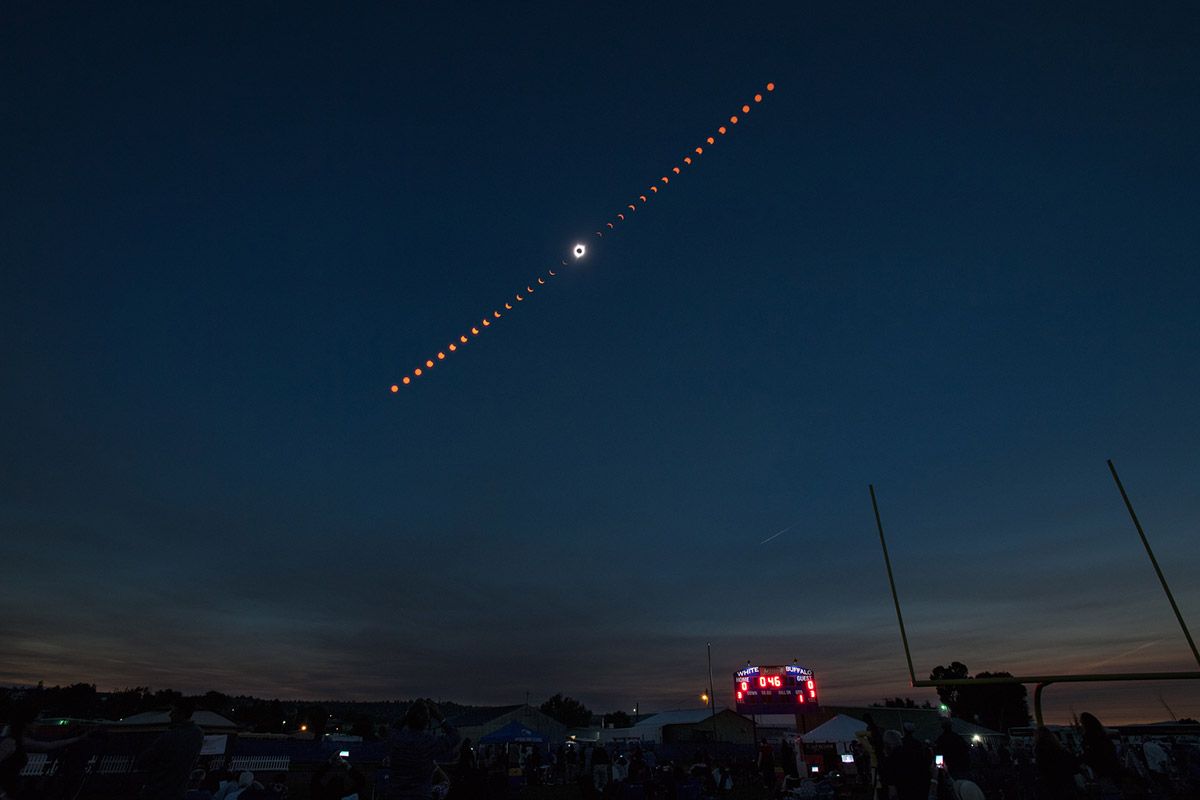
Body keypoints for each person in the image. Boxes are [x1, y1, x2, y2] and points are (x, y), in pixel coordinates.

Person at [384, 700, 460, 800]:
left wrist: (407, 715)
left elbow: (392, 729)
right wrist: (438, 716)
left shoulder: (396, 739)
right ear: (427, 722)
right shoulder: (430, 741)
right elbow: (455, 736)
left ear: (408, 719)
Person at [135, 701, 206, 800]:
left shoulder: (169, 736)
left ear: (181, 714)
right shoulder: (198, 734)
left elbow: (142, 762)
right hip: (179, 792)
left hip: (158, 792)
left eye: (173, 712)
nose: (170, 715)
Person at [1033, 727, 1081, 798]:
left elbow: (1042, 767)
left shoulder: (1040, 750)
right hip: (1065, 780)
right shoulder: (1060, 749)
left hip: (1051, 782)